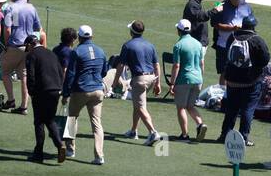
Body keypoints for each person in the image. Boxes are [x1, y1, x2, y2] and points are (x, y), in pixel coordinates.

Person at [218, 15, 268, 146]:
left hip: (232, 81)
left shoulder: (232, 37)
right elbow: (265, 59)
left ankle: (225, 134)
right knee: (247, 110)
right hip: (250, 82)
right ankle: (243, 137)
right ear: (253, 27)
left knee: (231, 109)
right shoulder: (257, 40)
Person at [62, 25, 109, 164]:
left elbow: (70, 75)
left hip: (81, 90)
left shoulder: (76, 51)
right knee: (96, 123)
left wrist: (65, 93)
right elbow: (104, 72)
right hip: (98, 90)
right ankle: (99, 156)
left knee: (72, 118)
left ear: (79, 37)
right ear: (91, 36)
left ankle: (70, 149)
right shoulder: (100, 51)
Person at [116, 20, 166, 144]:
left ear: (131, 31)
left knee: (141, 107)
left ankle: (153, 132)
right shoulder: (150, 45)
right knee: (137, 105)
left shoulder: (127, 45)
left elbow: (121, 65)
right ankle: (133, 131)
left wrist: (116, 80)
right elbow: (156, 65)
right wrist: (158, 82)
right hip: (151, 79)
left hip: (139, 80)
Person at [24, 30, 65, 163]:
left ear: (31, 44)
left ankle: (38, 153)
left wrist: (31, 92)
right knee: (50, 119)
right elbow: (60, 71)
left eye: (27, 47)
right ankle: (59, 144)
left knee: (39, 121)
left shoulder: (32, 55)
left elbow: (31, 76)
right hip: (55, 90)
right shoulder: (51, 53)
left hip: (41, 92)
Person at [0, 0, 41, 113]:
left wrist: (6, 44)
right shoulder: (31, 8)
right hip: (28, 46)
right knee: (24, 76)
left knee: (5, 72)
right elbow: (37, 28)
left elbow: (7, 28)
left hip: (15, 45)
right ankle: (24, 106)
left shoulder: (11, 8)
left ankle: (11, 100)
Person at [169, 18, 208, 142]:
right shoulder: (198, 44)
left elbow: (176, 66)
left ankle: (184, 135)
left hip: (184, 80)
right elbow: (202, 63)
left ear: (179, 30)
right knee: (190, 106)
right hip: (197, 79)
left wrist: (172, 83)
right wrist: (201, 78)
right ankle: (200, 124)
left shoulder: (178, 45)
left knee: (181, 107)